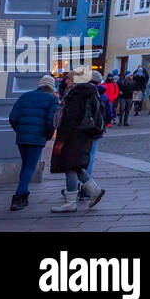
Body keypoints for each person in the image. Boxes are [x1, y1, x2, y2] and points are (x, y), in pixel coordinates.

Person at [50, 72, 106, 212]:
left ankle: (70, 202)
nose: (66, 83)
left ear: (74, 80)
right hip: (84, 134)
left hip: (74, 135)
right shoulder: (89, 92)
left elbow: (71, 118)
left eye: (68, 80)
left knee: (69, 166)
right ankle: (95, 191)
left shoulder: (76, 94)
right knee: (77, 166)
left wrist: (62, 138)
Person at [8, 75, 58, 211]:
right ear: (51, 86)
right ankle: (18, 197)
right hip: (37, 138)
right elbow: (51, 121)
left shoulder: (25, 96)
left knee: (26, 166)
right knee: (30, 167)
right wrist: (46, 136)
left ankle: (23, 193)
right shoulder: (53, 99)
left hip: (22, 137)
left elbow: (13, 117)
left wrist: (19, 131)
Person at [88, 70, 112, 175]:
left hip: (84, 127)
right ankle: (87, 180)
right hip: (98, 128)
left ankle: (79, 181)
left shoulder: (84, 92)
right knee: (91, 156)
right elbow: (110, 112)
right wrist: (106, 123)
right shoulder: (104, 95)